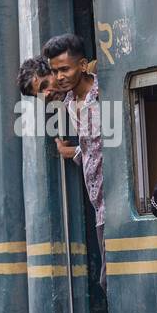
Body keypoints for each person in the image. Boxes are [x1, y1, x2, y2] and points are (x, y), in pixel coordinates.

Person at [45, 33, 106, 286]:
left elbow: (109, 147)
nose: (59, 77)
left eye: (64, 69)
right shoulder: (70, 102)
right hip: (99, 206)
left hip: (113, 206)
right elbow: (91, 149)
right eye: (55, 71)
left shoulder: (102, 95)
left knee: (108, 279)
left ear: (82, 66)